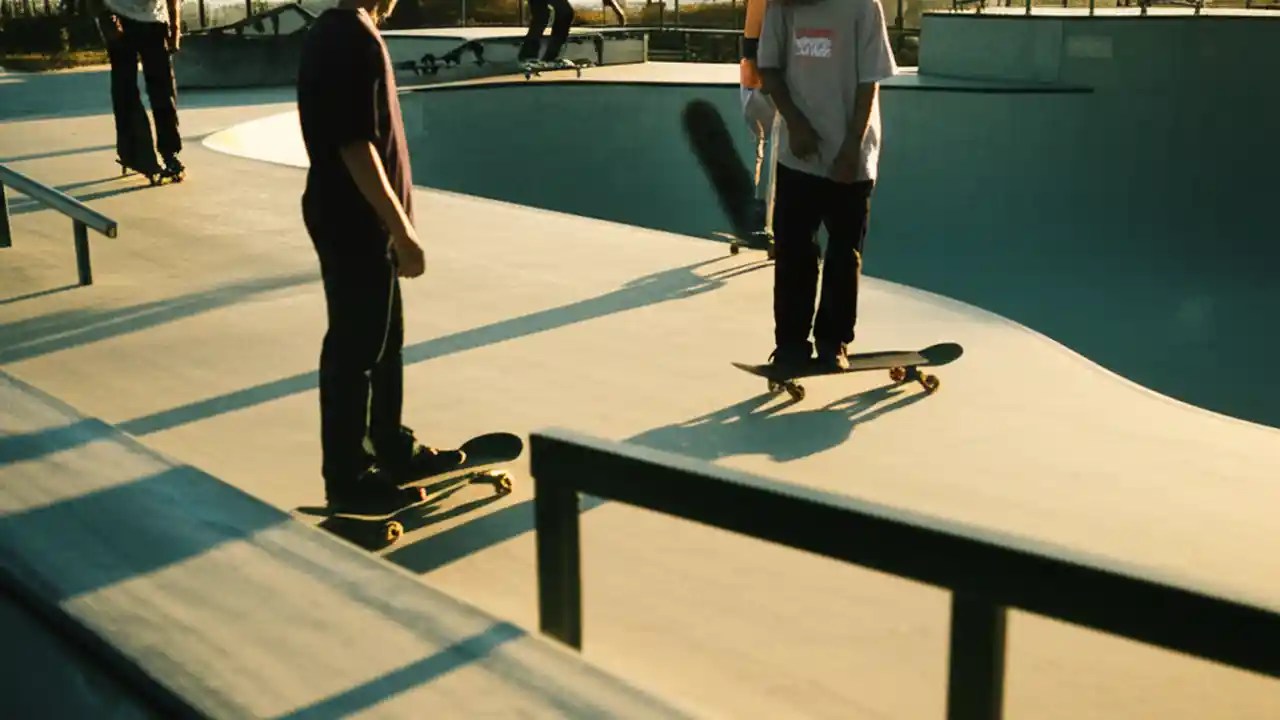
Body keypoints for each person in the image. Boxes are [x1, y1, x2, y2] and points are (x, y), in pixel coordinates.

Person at [295, 0, 464, 511]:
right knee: (356, 351)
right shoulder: (350, 39)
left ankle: (390, 445)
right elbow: (355, 145)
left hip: (358, 218)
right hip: (355, 219)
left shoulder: (343, 31)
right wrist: (401, 229)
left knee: (384, 344)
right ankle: (347, 474)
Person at [757, 0, 897, 371]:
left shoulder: (863, 7)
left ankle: (833, 341)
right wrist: (795, 123)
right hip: (797, 156)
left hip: (851, 156)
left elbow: (870, 81)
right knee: (793, 252)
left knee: (843, 254)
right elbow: (768, 69)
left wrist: (851, 147)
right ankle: (790, 343)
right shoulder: (782, 7)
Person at [96, 0, 185, 176]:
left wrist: (175, 25)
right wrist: (103, 18)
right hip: (118, 13)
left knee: (163, 89)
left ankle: (170, 154)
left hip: (154, 19)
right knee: (125, 87)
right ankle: (136, 155)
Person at [739, 0, 777, 230]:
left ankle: (762, 208)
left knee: (764, 145)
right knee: (770, 143)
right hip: (761, 77)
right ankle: (762, 209)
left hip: (758, 74)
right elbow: (751, 40)